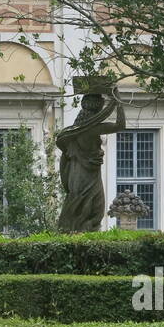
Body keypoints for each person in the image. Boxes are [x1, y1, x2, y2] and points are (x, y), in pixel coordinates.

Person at [55, 90, 126, 233]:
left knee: (76, 207)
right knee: (96, 210)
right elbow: (120, 125)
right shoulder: (94, 129)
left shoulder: (72, 132)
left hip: (76, 175)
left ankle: (70, 235)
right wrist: (118, 101)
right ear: (99, 109)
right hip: (89, 176)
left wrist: (66, 180)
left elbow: (64, 161)